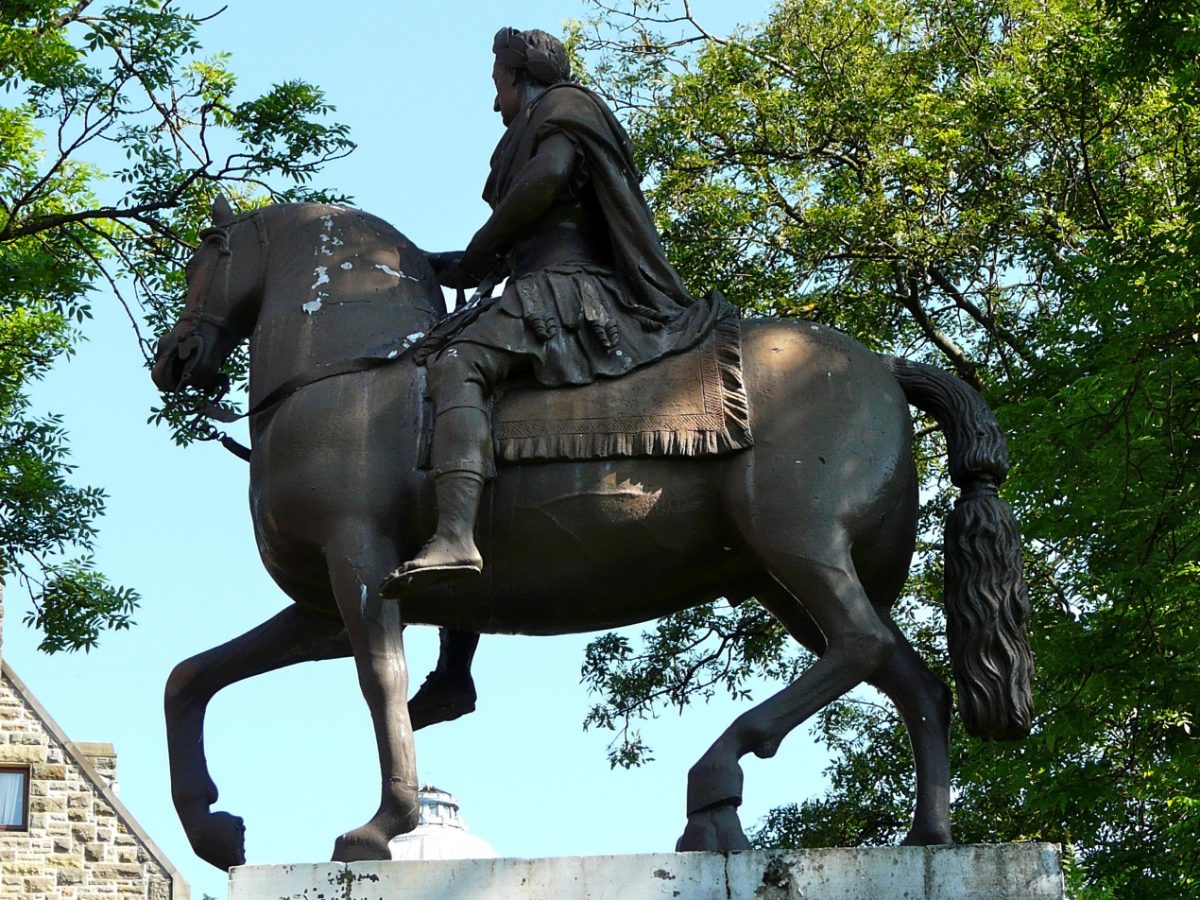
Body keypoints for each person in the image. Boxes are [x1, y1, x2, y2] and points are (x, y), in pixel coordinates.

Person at [380, 26, 735, 598]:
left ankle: (454, 536)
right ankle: (452, 661)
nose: (495, 102)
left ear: (520, 77)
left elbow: (545, 181)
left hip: (573, 289)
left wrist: (476, 251)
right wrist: (458, 263)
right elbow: (526, 232)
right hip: (538, 279)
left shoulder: (568, 105)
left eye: (498, 85)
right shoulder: (535, 121)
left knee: (458, 366)